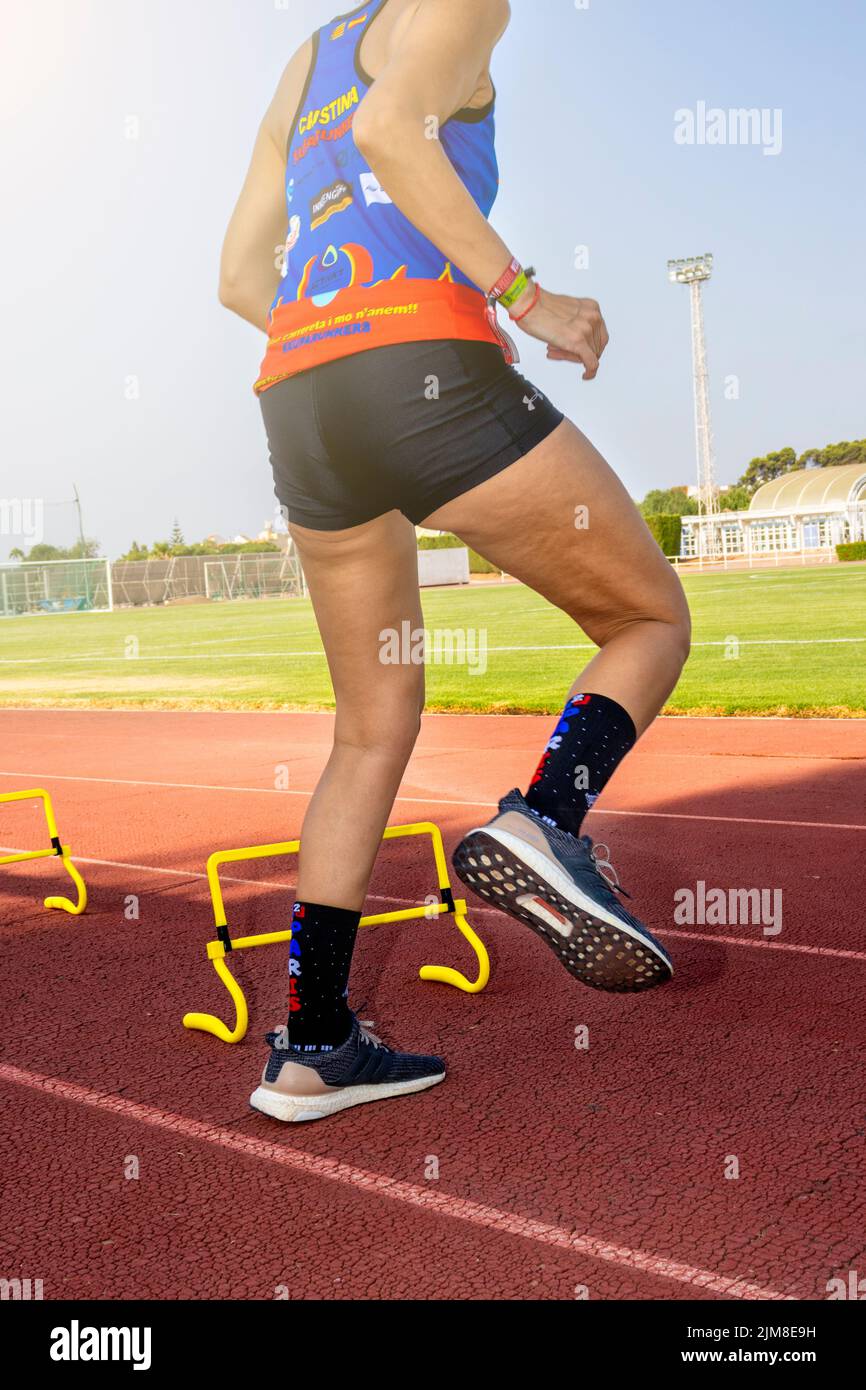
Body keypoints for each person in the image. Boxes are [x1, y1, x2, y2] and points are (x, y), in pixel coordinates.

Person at [219, 0, 691, 1124]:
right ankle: (545, 818)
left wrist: (340, 350)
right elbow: (393, 131)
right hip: (420, 365)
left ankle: (313, 1046)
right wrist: (528, 299)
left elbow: (242, 273)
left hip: (301, 392)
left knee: (367, 729)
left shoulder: (311, 51)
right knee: (647, 619)